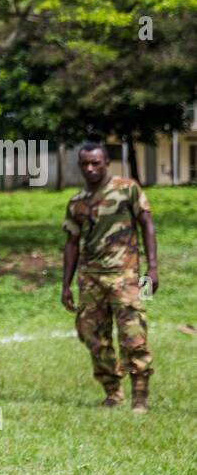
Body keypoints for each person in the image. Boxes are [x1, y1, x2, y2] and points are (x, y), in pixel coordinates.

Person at [61, 142, 157, 412]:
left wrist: (152, 268)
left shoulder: (127, 188)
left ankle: (140, 395)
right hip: (90, 279)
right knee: (92, 336)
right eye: (85, 164)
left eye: (95, 163)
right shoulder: (76, 203)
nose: (90, 168)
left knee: (133, 335)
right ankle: (113, 392)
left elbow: (147, 224)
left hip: (124, 276)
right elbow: (71, 244)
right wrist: (66, 285)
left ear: (106, 163)